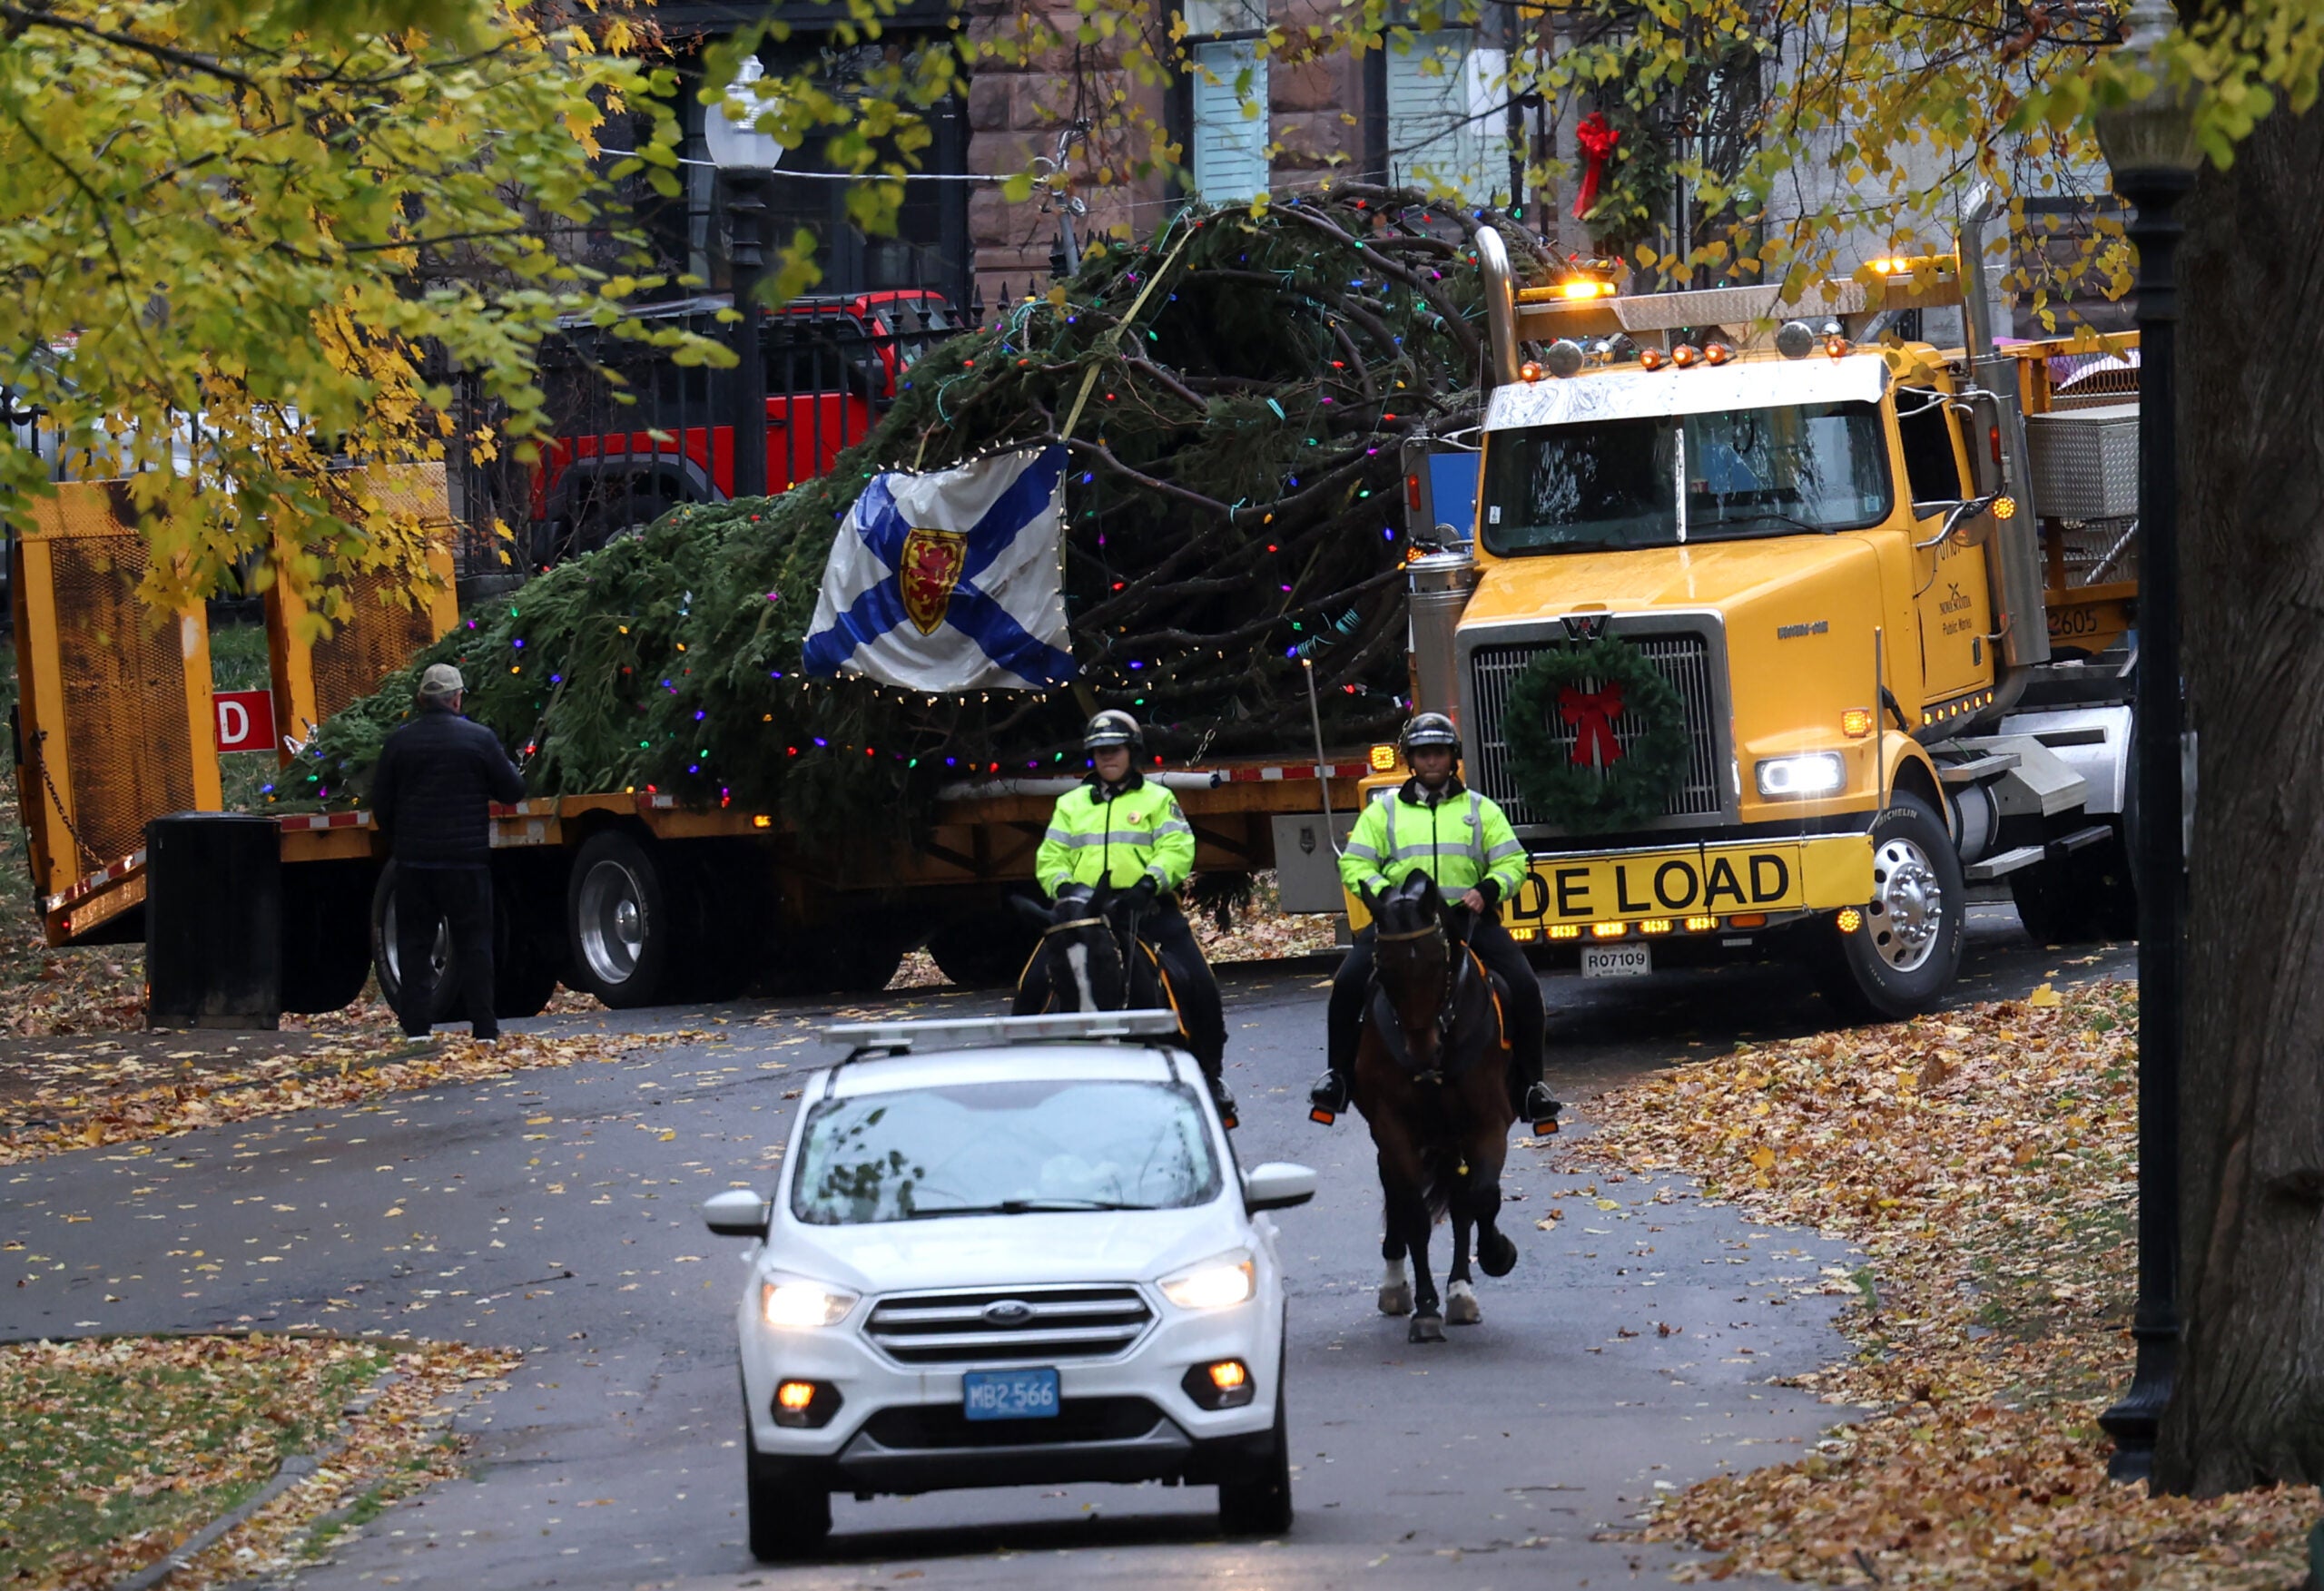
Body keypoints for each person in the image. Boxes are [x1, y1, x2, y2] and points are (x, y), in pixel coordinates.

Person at [1310, 712, 1560, 1132]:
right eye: (1423, 753)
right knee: (1348, 983)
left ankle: (1532, 1086)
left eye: (1439, 753)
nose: (1431, 761)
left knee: (1524, 986)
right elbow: (1354, 863)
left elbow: (1513, 861)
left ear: (1453, 758)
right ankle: (1337, 1078)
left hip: (1467, 922)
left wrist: (1488, 890)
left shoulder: (1481, 809)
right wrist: (1386, 897)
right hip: (1400, 924)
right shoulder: (1383, 812)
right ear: (1410, 760)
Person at [1031, 711, 1233, 1119]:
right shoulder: (1070, 804)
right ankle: (1026, 1076)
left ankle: (1211, 1076)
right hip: (1084, 914)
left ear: (1132, 751)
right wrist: (1065, 888)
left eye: (1115, 749)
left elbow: (1177, 848)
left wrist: (1149, 883)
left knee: (1201, 984)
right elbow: (1050, 856)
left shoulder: (1158, 799)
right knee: (1032, 983)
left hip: (1145, 908)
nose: (1108, 756)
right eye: (1100, 751)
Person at [370, 663, 526, 1041]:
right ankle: (484, 1029)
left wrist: (401, 842)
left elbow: (382, 804)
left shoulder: (400, 743)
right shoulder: (479, 739)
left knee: (414, 946)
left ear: (422, 699)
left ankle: (417, 1030)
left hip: (415, 862)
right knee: (475, 945)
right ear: (457, 699)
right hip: (466, 862)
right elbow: (512, 791)